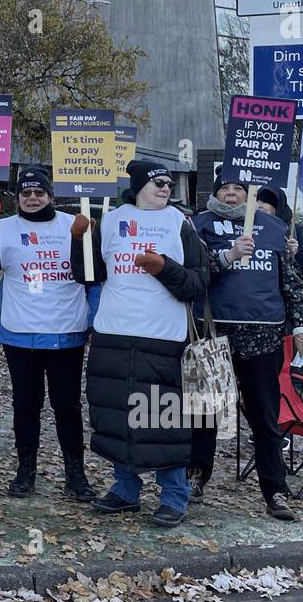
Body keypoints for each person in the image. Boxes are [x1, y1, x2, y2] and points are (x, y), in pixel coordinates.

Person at [73, 160, 209, 526]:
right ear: (137, 187)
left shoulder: (180, 224)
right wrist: (79, 239)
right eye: (158, 183)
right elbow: (88, 274)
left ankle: (174, 496)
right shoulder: (113, 220)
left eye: (168, 183)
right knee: (118, 414)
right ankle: (125, 490)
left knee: (163, 419)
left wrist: (163, 267)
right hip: (115, 333)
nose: (166, 188)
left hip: (162, 336)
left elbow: (199, 283)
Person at [188, 175, 303, 521]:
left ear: (249, 196)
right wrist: (227, 256)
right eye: (224, 188)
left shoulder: (273, 228)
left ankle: (275, 490)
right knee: (206, 413)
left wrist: (302, 324)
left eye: (238, 189)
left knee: (265, 417)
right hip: (213, 332)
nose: (231, 193)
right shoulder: (197, 225)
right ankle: (196, 476)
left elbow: (290, 280)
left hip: (263, 337)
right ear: (214, 194)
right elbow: (190, 275)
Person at [0, 164, 97, 500]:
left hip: (66, 330)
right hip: (21, 333)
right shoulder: (5, 227)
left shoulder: (74, 224)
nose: (33, 198)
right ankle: (25, 472)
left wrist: (97, 315)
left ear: (50, 196)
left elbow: (93, 272)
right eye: (26, 193)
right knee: (26, 406)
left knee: (67, 407)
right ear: (18, 198)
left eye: (39, 192)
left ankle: (76, 475)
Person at [259, 189, 303, 336]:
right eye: (257, 202)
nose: (260, 206)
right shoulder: (252, 230)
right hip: (266, 308)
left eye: (265, 202)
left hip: (293, 308)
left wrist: (297, 253)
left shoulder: (295, 230)